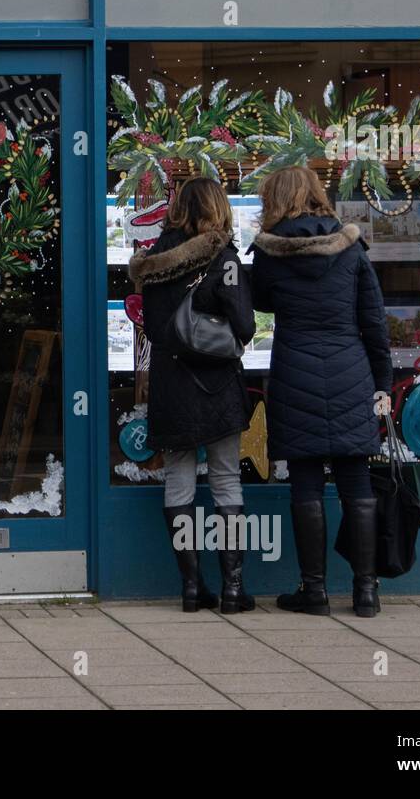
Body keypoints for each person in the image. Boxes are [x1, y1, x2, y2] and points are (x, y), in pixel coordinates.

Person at [249, 166, 392, 618]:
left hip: (295, 372)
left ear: (275, 199)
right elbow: (375, 324)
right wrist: (383, 384)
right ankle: (365, 592)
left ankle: (314, 592)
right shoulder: (352, 250)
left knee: (306, 481)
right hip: (351, 371)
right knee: (356, 480)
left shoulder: (270, 254)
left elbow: (262, 301)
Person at [129, 177, 257, 613]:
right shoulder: (223, 258)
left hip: (172, 385)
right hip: (217, 385)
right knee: (226, 482)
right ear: (217, 208)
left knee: (178, 481)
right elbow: (245, 326)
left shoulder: (154, 263)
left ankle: (190, 588)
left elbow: (156, 326)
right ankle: (233, 589)